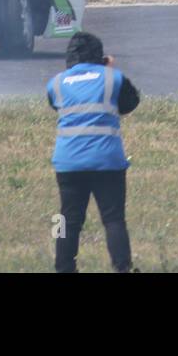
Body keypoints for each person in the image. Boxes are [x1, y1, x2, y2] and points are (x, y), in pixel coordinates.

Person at [46, 31, 140, 273]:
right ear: (100, 56)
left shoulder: (56, 83)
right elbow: (130, 103)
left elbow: (56, 104)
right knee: (113, 219)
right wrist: (106, 69)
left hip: (68, 162)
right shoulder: (112, 78)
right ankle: (122, 268)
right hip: (106, 161)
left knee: (69, 220)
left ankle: (64, 268)